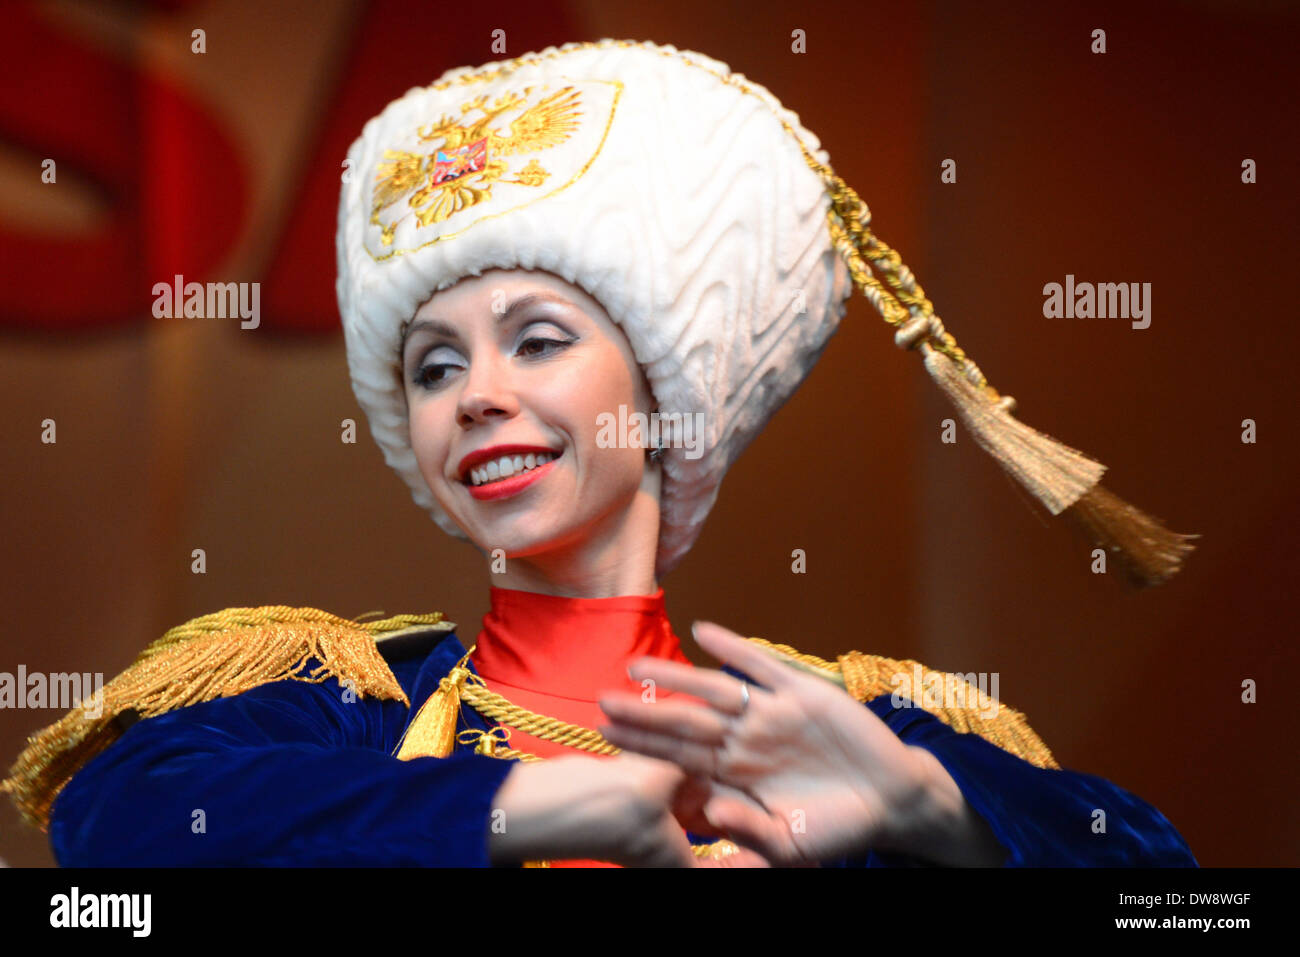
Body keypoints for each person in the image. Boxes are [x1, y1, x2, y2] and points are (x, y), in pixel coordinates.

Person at [3, 39, 1196, 867]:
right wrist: (553, 806)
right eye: (432, 365)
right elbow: (116, 832)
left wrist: (930, 807)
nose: (476, 396)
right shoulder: (337, 709)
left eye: (537, 340)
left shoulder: (842, 731)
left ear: (665, 393)